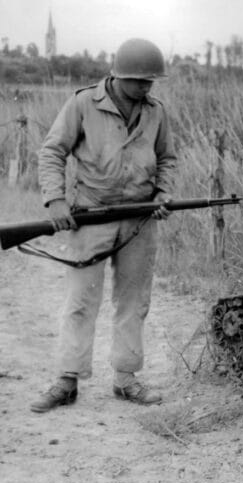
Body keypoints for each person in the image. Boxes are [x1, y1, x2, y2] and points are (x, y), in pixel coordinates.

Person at [30, 38, 176, 413]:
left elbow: (167, 159)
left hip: (139, 221)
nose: (147, 87)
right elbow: (52, 151)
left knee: (133, 302)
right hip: (91, 215)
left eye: (151, 81)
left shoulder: (155, 111)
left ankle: (126, 379)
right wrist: (56, 200)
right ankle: (67, 380)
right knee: (81, 301)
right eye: (140, 80)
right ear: (118, 75)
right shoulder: (83, 104)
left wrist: (162, 194)